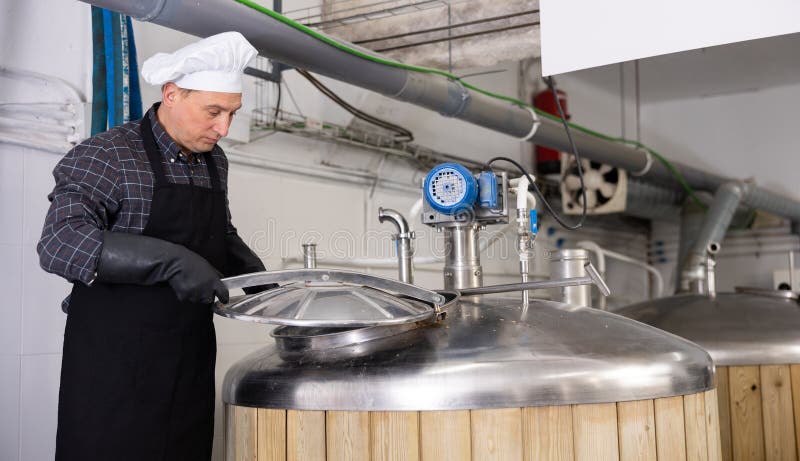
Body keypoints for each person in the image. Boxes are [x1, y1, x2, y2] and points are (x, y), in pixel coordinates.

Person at [37, 31, 273, 461]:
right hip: (113, 376)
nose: (223, 128)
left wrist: (267, 284)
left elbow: (220, 232)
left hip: (187, 366)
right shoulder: (106, 155)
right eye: (213, 111)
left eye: (232, 113)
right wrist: (169, 261)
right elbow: (59, 242)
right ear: (171, 94)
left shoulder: (214, 160)